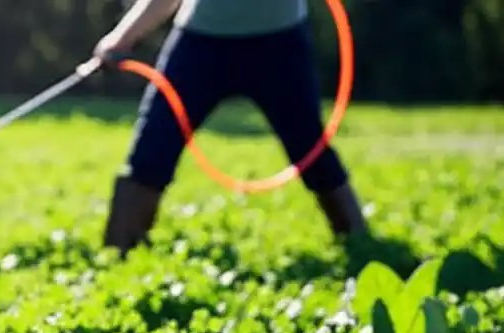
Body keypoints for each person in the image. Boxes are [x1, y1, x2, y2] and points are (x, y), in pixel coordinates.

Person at [94, 0, 370, 256]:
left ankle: (359, 244)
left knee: (311, 149)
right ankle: (119, 252)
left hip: (280, 44)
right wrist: (121, 38)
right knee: (152, 150)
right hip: (199, 44)